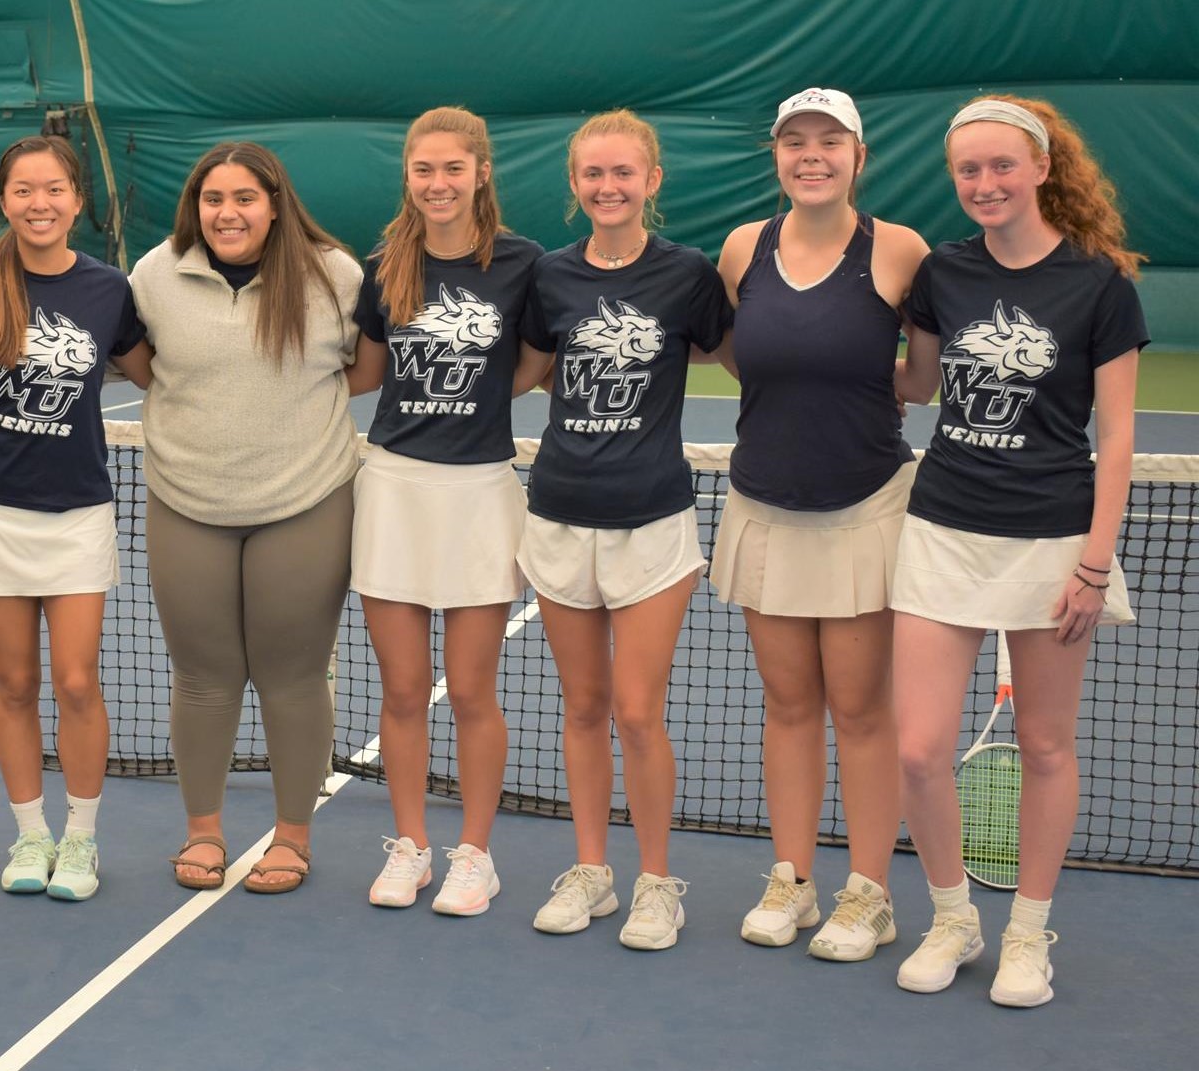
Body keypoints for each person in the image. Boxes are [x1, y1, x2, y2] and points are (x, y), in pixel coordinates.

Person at [890, 94, 1145, 1008]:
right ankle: (954, 918)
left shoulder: (1100, 286)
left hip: (1053, 538)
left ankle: (1029, 934)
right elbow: (916, 383)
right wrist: (818, 356)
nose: (985, 183)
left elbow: (1115, 438)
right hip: (943, 529)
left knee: (1043, 744)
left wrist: (1091, 562)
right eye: (969, 169)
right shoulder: (943, 276)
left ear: (1042, 168)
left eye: (1003, 166)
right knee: (918, 750)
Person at [712, 89, 930, 959]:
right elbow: (739, 353)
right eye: (795, 142)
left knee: (862, 710)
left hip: (866, 509)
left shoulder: (900, 251)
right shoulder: (742, 250)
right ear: (776, 156)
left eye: (829, 142)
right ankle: (792, 879)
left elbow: (922, 377)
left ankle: (869, 892)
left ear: (858, 157)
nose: (812, 156)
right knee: (789, 704)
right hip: (764, 504)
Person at [518, 109, 732, 950]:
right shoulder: (551, 278)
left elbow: (740, 356)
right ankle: (592, 873)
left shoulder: (688, 276)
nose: (608, 187)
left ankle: (655, 882)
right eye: (592, 175)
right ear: (575, 186)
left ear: (652, 181)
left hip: (654, 523)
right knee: (583, 707)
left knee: (639, 712)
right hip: (559, 516)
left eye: (623, 173)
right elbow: (531, 370)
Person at [128, 142, 362, 894]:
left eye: (244, 199)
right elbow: (143, 365)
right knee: (202, 676)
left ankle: (292, 838)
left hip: (305, 504)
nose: (227, 213)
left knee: (292, 676)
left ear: (275, 204)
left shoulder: (336, 276)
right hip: (185, 502)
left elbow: (361, 370)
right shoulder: (154, 275)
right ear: (194, 205)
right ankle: (203, 834)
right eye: (212, 199)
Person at [0, 135, 153, 900]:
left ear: (77, 199)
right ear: (4, 201)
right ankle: (31, 836)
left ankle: (81, 841)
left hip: (77, 512)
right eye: (25, 190)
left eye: (55, 189)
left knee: (75, 680)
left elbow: (160, 373)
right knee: (15, 681)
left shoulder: (108, 290)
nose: (40, 203)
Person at [344, 107, 543, 915]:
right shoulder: (383, 263)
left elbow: (531, 366)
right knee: (401, 688)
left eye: (452, 169)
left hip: (480, 495)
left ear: (480, 172)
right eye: (424, 170)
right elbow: (364, 370)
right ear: (409, 178)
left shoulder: (523, 265)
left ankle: (475, 855)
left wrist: (473, 399)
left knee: (470, 690)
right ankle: (411, 847)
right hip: (392, 488)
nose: (438, 184)